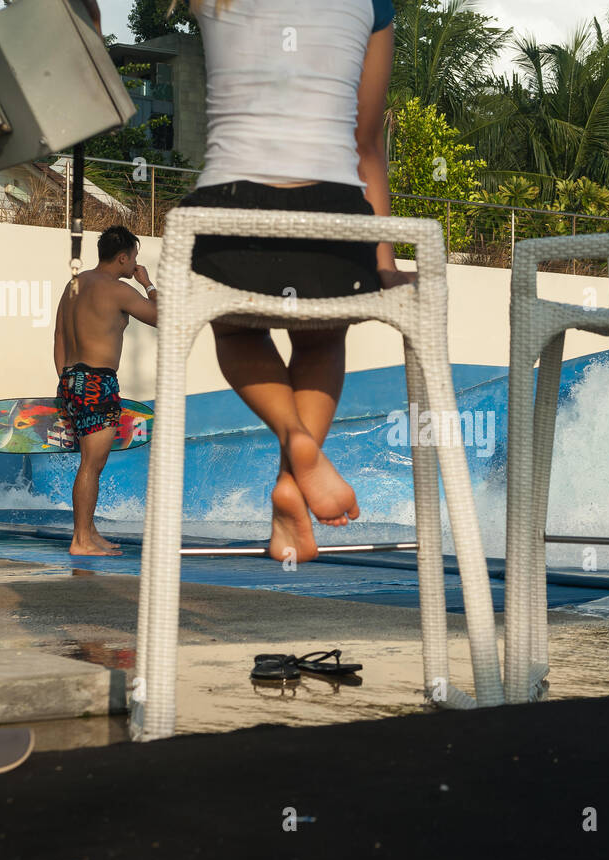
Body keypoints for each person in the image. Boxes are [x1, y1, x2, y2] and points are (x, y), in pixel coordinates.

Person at [169, 0, 414, 563]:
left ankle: (294, 441)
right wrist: (382, 260)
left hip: (228, 213)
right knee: (323, 335)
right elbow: (366, 143)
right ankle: (290, 476)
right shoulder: (373, 3)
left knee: (235, 331)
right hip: (331, 214)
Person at [53, 225, 158, 556]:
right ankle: (81, 541)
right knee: (92, 464)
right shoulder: (118, 290)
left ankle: (89, 532)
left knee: (89, 462)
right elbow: (163, 317)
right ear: (123, 257)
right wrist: (148, 283)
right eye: (134, 259)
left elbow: (58, 337)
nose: (135, 265)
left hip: (72, 378)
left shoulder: (74, 284)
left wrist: (66, 381)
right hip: (98, 382)